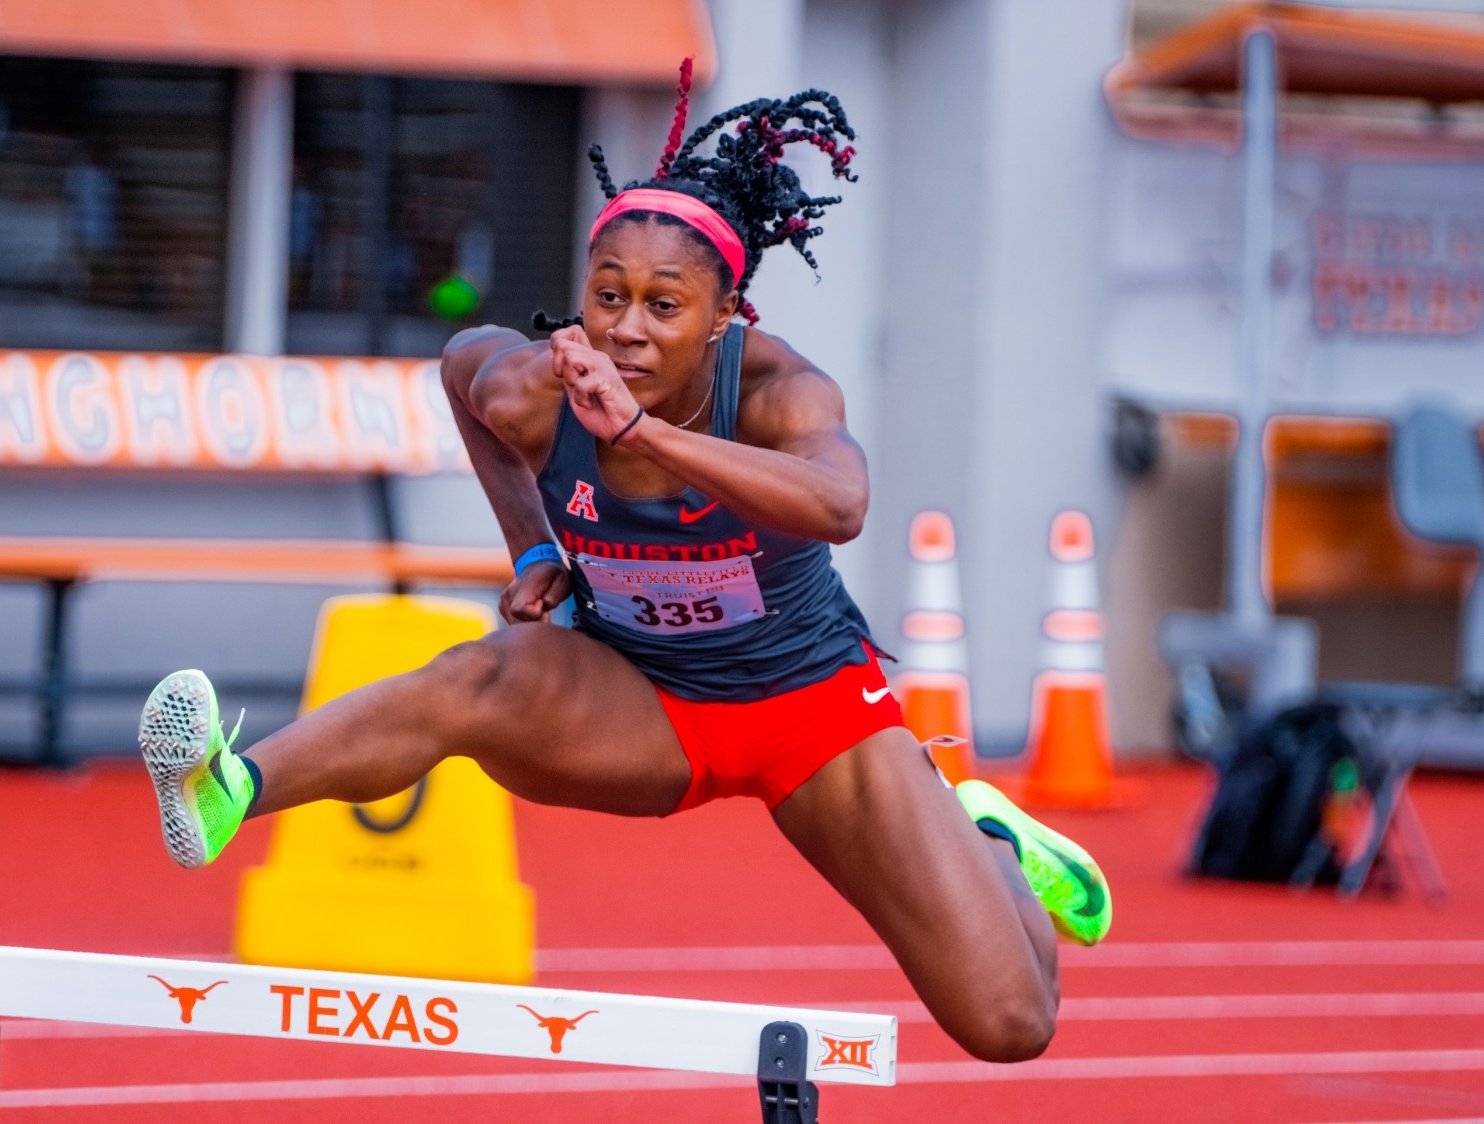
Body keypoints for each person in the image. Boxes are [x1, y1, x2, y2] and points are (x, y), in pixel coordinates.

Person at [138, 63, 1109, 1064]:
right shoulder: (535, 390)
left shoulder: (780, 394)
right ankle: (228, 787)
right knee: (475, 674)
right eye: (606, 298)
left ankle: (988, 837)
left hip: (811, 712)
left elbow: (841, 505)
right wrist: (532, 544)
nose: (627, 329)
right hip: (641, 701)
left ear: (725, 316)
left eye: (663, 305)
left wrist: (643, 433)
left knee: (1007, 1022)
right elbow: (457, 368)